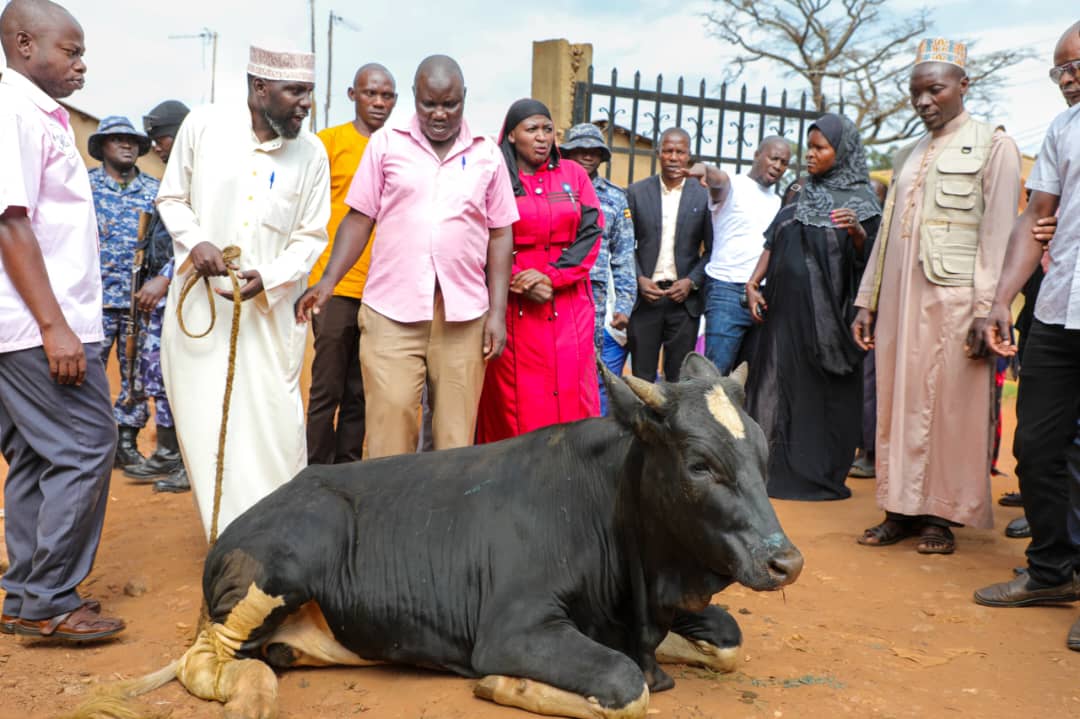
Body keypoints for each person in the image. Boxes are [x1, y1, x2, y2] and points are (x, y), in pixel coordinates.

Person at [296, 55, 517, 458]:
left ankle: (446, 520)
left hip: (463, 317)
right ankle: (387, 519)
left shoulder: (487, 154)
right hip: (391, 312)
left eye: (450, 104)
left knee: (454, 440)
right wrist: (328, 281)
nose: (439, 114)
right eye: (429, 103)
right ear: (414, 97)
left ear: (464, 98)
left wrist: (497, 313)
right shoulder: (386, 143)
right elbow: (359, 218)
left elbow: (501, 234)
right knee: (389, 432)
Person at [853, 39, 1022, 554]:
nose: (924, 100)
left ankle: (940, 517)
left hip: (954, 303)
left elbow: (999, 234)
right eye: (915, 92)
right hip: (899, 305)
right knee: (897, 403)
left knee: (949, 407)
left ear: (962, 86)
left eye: (935, 89)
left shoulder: (994, 145)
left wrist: (984, 310)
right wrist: (867, 299)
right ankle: (899, 508)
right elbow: (885, 236)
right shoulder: (907, 154)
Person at [157, 45, 330, 538]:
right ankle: (229, 539)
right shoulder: (204, 126)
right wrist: (197, 242)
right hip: (202, 307)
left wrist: (271, 278)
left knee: (276, 426)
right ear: (259, 88)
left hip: (270, 314)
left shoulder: (311, 152)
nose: (305, 104)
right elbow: (171, 197)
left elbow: (311, 236)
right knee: (209, 423)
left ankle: (280, 538)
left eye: (309, 93)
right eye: (295, 91)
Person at [0, 0, 124, 641]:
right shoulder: (13, 111)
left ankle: (24, 593)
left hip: (31, 322)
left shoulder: (37, 114)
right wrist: (54, 327)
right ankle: (49, 597)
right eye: (70, 51)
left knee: (33, 454)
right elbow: (10, 221)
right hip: (34, 325)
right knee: (86, 446)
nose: (81, 64)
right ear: (23, 43)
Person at [973, 22, 1080, 652]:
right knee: (1037, 449)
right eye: (1058, 71)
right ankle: (1050, 572)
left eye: (1076, 67)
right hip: (1061, 310)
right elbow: (1034, 219)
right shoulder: (1063, 130)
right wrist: (1002, 300)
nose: (1067, 80)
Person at [741, 114, 881, 501]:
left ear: (843, 151)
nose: (810, 156)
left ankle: (816, 472)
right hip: (783, 312)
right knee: (774, 385)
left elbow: (870, 263)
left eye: (820, 149)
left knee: (820, 393)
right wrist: (754, 283)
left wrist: (856, 234)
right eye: (811, 148)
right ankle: (766, 468)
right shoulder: (799, 190)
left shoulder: (864, 200)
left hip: (828, 321)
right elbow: (775, 238)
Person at [474, 101, 603, 442]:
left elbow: (591, 231)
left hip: (568, 304)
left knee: (572, 396)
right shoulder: (493, 175)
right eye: (532, 130)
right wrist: (517, 277)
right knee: (516, 404)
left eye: (547, 129)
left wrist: (551, 277)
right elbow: (480, 235)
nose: (542, 137)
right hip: (513, 305)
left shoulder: (574, 175)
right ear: (512, 135)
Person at [305, 63, 397, 465]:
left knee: (361, 390)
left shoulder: (400, 146)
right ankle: (315, 471)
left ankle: (347, 472)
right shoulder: (326, 144)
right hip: (335, 285)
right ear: (352, 94)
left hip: (382, 290)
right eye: (370, 93)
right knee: (327, 388)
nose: (378, 102)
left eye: (387, 95)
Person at [121, 99, 191, 493]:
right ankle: (167, 453)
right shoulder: (172, 178)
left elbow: (203, 237)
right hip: (158, 298)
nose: (156, 147)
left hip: (186, 294)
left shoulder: (202, 175)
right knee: (157, 375)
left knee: (185, 378)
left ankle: (189, 460)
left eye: (160, 137)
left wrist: (164, 278)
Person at [86, 115, 159, 468]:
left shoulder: (156, 192)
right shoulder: (82, 188)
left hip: (138, 301)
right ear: (102, 147)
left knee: (136, 373)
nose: (127, 145)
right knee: (86, 372)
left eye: (132, 140)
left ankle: (125, 441)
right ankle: (87, 441)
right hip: (92, 300)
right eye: (117, 139)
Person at [686, 136, 791, 374]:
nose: (778, 166)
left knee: (751, 379)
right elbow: (718, 180)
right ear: (757, 155)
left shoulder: (778, 202)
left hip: (763, 296)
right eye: (773, 158)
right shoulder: (733, 185)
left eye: (784, 162)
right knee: (716, 375)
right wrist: (705, 169)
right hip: (727, 293)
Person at [559, 122, 636, 414]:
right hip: (552, 288)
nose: (587, 156)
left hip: (593, 293)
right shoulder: (553, 189)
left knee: (589, 367)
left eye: (594, 151)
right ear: (568, 152)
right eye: (580, 150)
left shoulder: (615, 197)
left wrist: (625, 304)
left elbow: (624, 254)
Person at [626, 127, 712, 382]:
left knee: (679, 382)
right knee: (641, 380)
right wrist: (639, 279)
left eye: (680, 152)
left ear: (689, 156)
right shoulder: (636, 192)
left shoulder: (704, 196)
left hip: (684, 302)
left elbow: (713, 250)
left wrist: (691, 281)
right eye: (668, 151)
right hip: (645, 301)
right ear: (659, 154)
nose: (673, 157)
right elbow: (623, 246)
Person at [850, 177, 890, 479]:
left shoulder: (885, 231)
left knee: (872, 387)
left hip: (879, 317)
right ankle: (861, 448)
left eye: (877, 198)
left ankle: (871, 453)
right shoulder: (853, 227)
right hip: (852, 315)